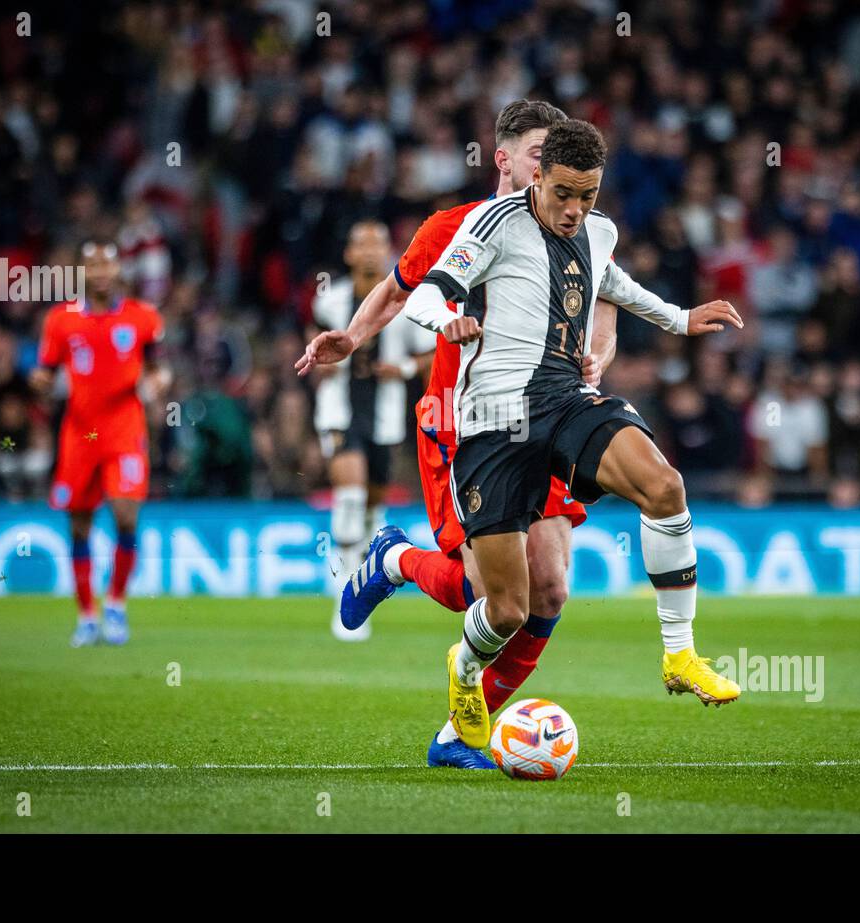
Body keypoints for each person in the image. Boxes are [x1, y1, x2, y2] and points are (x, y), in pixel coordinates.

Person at [401, 119, 744, 751]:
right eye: (563, 193)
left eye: (587, 196)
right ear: (536, 176)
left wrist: (679, 318)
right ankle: (467, 666)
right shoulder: (493, 225)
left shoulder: (596, 229)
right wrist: (446, 321)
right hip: (494, 423)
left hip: (563, 401)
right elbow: (425, 296)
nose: (574, 209)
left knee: (664, 487)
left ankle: (680, 654)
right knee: (507, 608)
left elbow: (611, 283)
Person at [297, 99, 617, 768]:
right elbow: (394, 288)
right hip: (463, 421)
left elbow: (607, 296)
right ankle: (395, 560)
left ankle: (458, 731)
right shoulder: (454, 227)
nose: (553, 167)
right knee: (489, 593)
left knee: (549, 587)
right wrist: (352, 338)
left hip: (545, 416)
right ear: (504, 160)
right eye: (539, 154)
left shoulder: (572, 225)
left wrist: (600, 352)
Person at [31, 241, 170, 647]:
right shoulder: (60, 320)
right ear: (83, 272)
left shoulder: (143, 317)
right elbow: (45, 372)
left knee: (126, 516)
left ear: (119, 270)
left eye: (107, 264)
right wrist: (38, 383)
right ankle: (86, 615)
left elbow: (160, 367)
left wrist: (159, 382)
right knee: (79, 526)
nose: (101, 272)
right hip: (80, 432)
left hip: (124, 428)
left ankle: (116, 605)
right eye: (92, 265)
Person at [308, 220, 434, 640]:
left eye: (377, 242)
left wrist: (400, 369)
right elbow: (311, 345)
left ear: (389, 250)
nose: (368, 250)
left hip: (386, 416)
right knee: (350, 493)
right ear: (347, 253)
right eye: (360, 242)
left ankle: (359, 581)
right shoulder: (330, 299)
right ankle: (343, 593)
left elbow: (432, 358)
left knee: (372, 508)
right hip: (339, 411)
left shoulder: (409, 303)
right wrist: (318, 369)